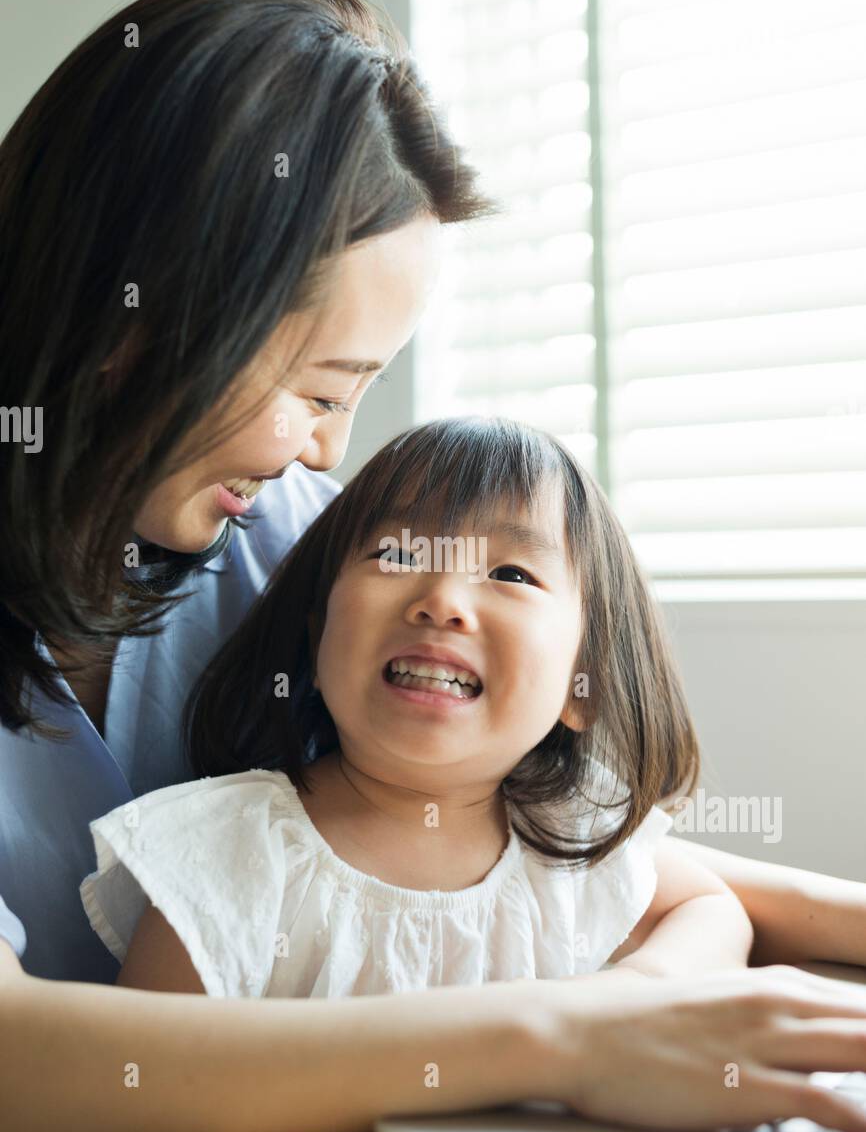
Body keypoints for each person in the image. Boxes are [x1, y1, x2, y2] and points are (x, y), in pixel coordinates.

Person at [2, 0, 865, 1132]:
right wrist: (569, 1038)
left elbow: (558, 846)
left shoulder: (273, 539)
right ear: (142, 320)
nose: (326, 453)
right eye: (316, 388)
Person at [80, 416, 756, 998]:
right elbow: (143, 1076)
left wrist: (634, 995)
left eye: (511, 574)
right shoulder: (230, 854)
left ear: (586, 686)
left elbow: (709, 907)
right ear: (316, 641)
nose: (441, 599)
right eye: (397, 553)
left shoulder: (575, 839)